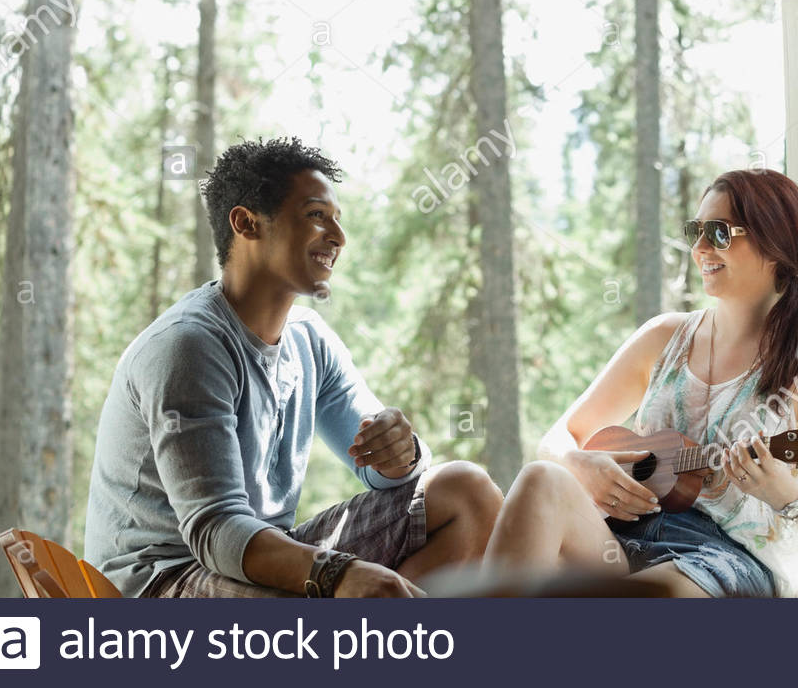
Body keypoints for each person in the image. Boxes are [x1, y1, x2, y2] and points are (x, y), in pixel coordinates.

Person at [84, 137, 501, 597]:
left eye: (338, 220)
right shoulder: (189, 346)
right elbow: (216, 529)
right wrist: (336, 572)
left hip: (258, 555)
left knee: (467, 493)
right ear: (245, 223)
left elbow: (383, 470)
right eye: (316, 216)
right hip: (164, 578)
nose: (338, 237)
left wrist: (402, 453)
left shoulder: (310, 339)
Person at [484, 169, 798, 596]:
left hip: (726, 560)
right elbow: (559, 437)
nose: (699, 248)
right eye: (694, 230)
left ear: (773, 242)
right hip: (625, 536)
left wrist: (787, 494)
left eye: (717, 233)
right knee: (541, 480)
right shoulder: (664, 338)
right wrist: (579, 464)